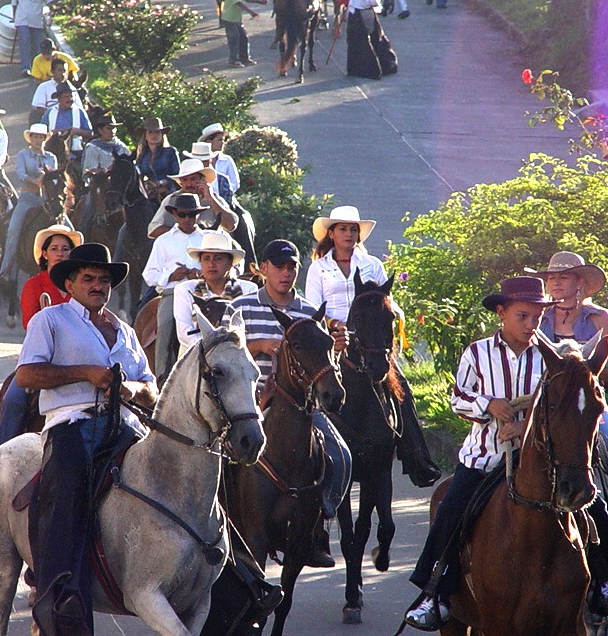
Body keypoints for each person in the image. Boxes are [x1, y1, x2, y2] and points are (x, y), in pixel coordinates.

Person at [404, 276, 608, 630]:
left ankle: (604, 580)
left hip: (540, 461)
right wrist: (489, 404)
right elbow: (458, 398)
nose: (531, 325)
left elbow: (566, 409)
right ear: (501, 312)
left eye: (537, 318)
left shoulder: (554, 358)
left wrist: (525, 430)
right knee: (451, 510)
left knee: (591, 503)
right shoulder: (477, 353)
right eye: (522, 316)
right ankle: (434, 592)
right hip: (485, 455)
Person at [15, 242, 158, 632]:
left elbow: (151, 386)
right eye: (89, 279)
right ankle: (62, 587)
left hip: (127, 424)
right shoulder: (51, 321)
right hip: (72, 422)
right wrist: (86, 373)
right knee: (68, 486)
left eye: (104, 280)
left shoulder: (125, 331)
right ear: (72, 283)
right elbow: (27, 375)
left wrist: (133, 391)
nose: (97, 286)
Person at [224, 239, 351, 568]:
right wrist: (259, 345)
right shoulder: (241, 307)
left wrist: (335, 347)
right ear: (263, 268)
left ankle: (317, 527)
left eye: (291, 266)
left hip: (300, 404)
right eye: (278, 266)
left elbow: (322, 361)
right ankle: (213, 525)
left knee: (339, 454)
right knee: (216, 456)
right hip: (248, 399)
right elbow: (222, 353)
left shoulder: (309, 311)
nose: (285, 272)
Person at [531, 251, 608, 567]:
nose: (556, 282)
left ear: (580, 282)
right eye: (552, 277)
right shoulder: (537, 318)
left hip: (586, 406)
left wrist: (582, 365)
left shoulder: (599, 318)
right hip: (542, 403)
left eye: (564, 276)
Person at [306, 204, 439, 486]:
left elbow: (386, 300)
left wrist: (394, 316)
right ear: (331, 234)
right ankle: (308, 456)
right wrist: (333, 325)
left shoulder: (373, 265)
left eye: (353, 229)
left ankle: (416, 456)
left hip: (370, 341)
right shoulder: (319, 268)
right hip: (333, 339)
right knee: (312, 387)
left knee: (402, 389)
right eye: (343, 229)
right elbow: (311, 307)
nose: (349, 234)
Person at [0, 225, 79, 448]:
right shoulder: (34, 284)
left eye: (66, 249)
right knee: (13, 399)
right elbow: (30, 323)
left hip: (78, 356)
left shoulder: (80, 286)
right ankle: (0, 454)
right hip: (40, 356)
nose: (60, 253)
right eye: (54, 248)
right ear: (44, 253)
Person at [143, 192, 208, 377]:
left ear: (198, 215)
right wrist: (170, 276)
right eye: (182, 214)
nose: (187, 219)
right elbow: (149, 274)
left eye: (191, 214)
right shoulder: (163, 241)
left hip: (202, 292)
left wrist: (200, 273)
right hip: (172, 292)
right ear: (175, 215)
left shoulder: (207, 238)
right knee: (165, 328)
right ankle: (161, 378)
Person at [0, 123, 59, 311]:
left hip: (48, 201)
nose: (38, 140)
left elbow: (56, 178)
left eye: (41, 137)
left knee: (69, 227)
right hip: (27, 198)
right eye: (35, 136)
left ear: (45, 139)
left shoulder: (51, 157)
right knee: (13, 229)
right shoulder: (23, 155)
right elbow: (20, 174)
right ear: (30, 138)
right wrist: (37, 180)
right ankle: (6, 269)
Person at [173, 231, 257, 352]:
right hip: (195, 356)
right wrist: (213, 350)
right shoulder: (185, 289)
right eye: (206, 259)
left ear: (230, 264)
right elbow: (185, 333)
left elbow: (250, 330)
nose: (211, 264)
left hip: (237, 355)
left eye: (218, 259)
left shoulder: (248, 289)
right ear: (200, 263)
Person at [324, 0, 397, 79]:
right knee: (377, 39)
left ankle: (365, 69)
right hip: (370, 13)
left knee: (357, 42)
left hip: (357, 15)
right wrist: (342, 1)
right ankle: (386, 65)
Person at [147, 158, 238, 240]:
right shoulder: (170, 200)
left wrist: (210, 198)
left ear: (203, 180)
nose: (189, 184)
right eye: (185, 180)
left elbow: (231, 225)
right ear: (181, 183)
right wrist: (182, 232)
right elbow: (153, 230)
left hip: (209, 252)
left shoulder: (215, 200)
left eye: (193, 179)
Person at [11, 0, 54, 77]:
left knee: (36, 44)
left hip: (36, 18)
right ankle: (25, 68)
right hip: (22, 18)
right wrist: (15, 18)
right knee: (24, 41)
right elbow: (14, 1)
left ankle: (35, 68)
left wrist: (53, 9)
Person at [220, 0, 265, 68]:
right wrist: (251, 12)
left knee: (243, 37)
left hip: (236, 18)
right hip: (229, 18)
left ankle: (244, 58)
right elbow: (239, 3)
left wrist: (259, 2)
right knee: (234, 38)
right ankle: (233, 60)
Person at [41, 83, 92, 163]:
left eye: (71, 96)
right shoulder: (50, 112)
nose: (70, 99)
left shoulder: (79, 112)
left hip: (76, 154)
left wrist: (76, 131)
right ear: (59, 99)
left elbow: (90, 133)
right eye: (66, 97)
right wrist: (53, 133)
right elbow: (41, 132)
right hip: (52, 153)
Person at [135, 117, 180, 202]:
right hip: (149, 195)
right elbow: (138, 174)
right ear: (145, 135)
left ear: (162, 134)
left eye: (157, 132)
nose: (154, 135)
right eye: (150, 132)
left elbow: (177, 175)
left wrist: (161, 182)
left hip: (170, 193)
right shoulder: (142, 155)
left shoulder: (170, 152)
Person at [199, 123, 241, 197]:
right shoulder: (198, 160)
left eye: (223, 140)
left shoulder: (227, 160)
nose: (222, 143)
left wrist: (225, 192)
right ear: (209, 141)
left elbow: (235, 183)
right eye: (219, 140)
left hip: (225, 198)